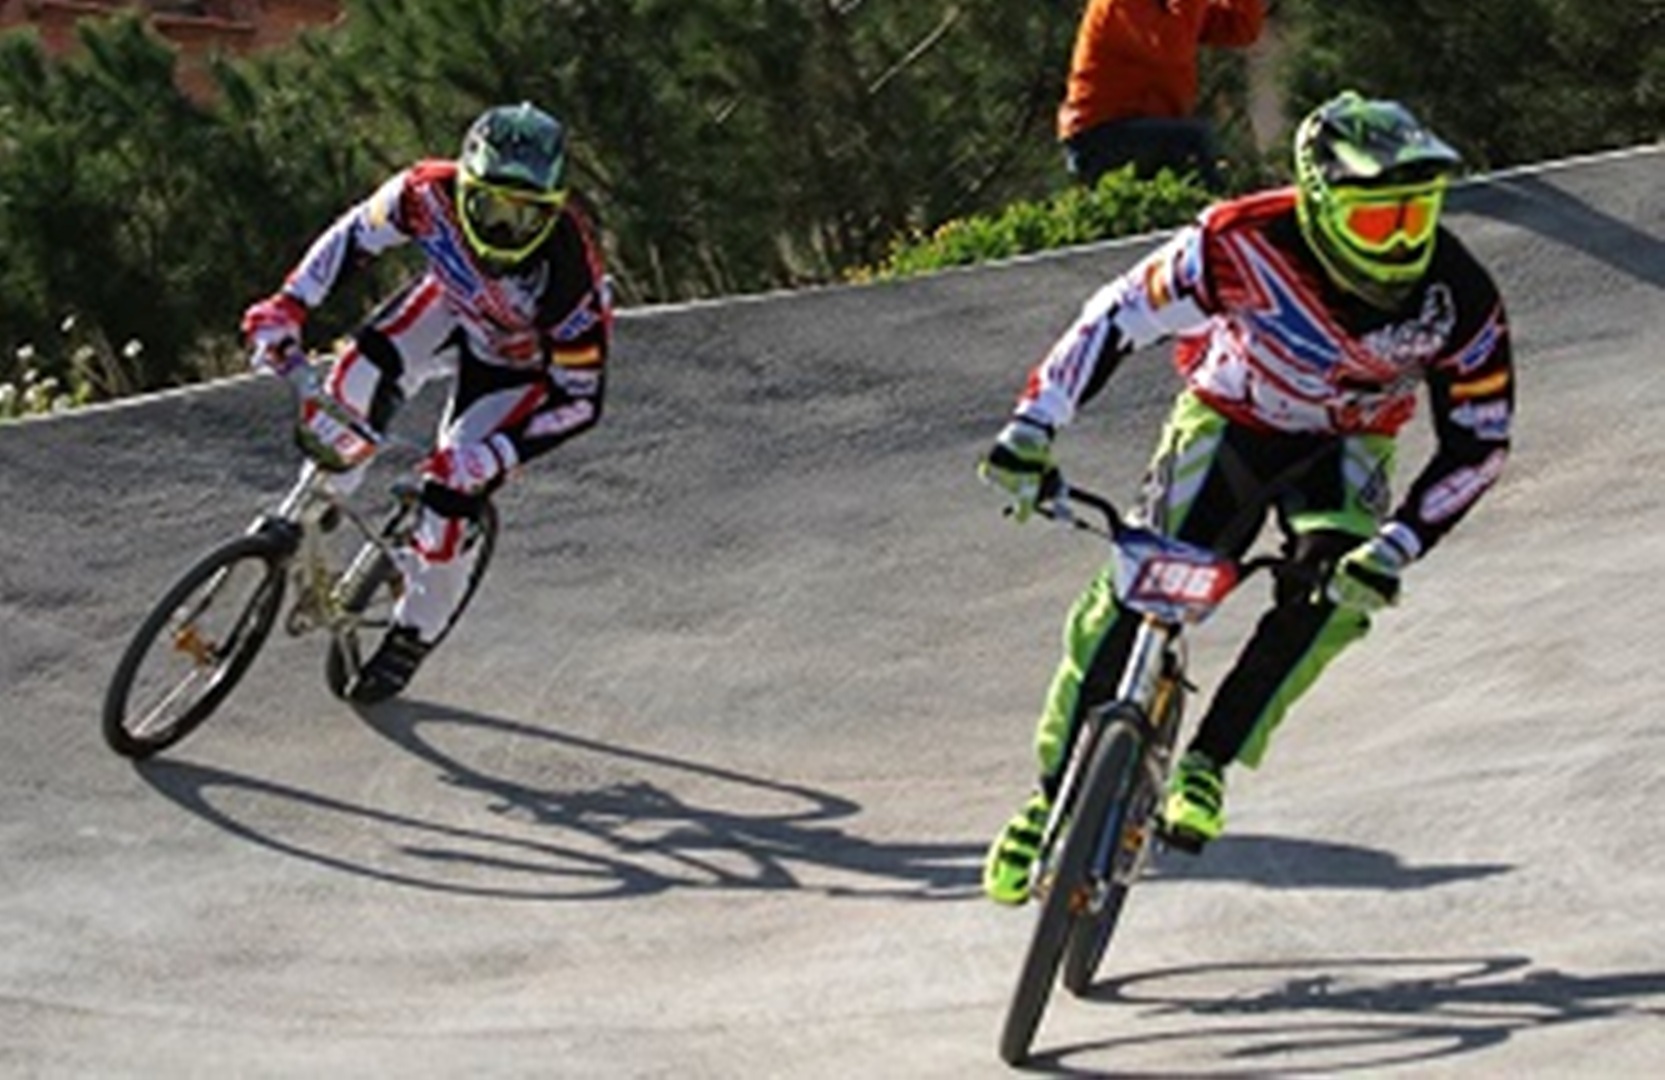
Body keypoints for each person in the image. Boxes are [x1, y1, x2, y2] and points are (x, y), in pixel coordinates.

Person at [978, 90, 1513, 904]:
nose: (1405, 240)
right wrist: (1031, 427)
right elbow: (1115, 316)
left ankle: (1206, 764)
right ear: (1322, 203)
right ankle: (1049, 798)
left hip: (1343, 450)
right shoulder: (1236, 241)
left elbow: (1480, 441)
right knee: (1127, 603)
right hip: (1227, 420)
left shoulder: (1461, 296)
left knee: (1334, 596)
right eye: (1379, 221)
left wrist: (1395, 546)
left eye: (1420, 213)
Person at [241, 101, 611, 704]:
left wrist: (487, 458)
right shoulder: (423, 192)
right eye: (491, 207)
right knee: (356, 371)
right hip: (452, 307)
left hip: (518, 364)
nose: (505, 231)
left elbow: (581, 399)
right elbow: (353, 236)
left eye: (527, 218)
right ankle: (327, 492)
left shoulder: (570, 272)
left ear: (555, 211)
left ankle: (417, 628)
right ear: (464, 187)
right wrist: (289, 304)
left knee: (448, 499)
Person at [1059, 0, 1266, 191]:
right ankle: (1215, 223)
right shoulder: (1119, 5)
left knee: (1192, 142)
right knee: (1194, 141)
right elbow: (1168, 45)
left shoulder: (1169, 7)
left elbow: (1241, 28)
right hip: (1100, 135)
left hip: (1142, 130)